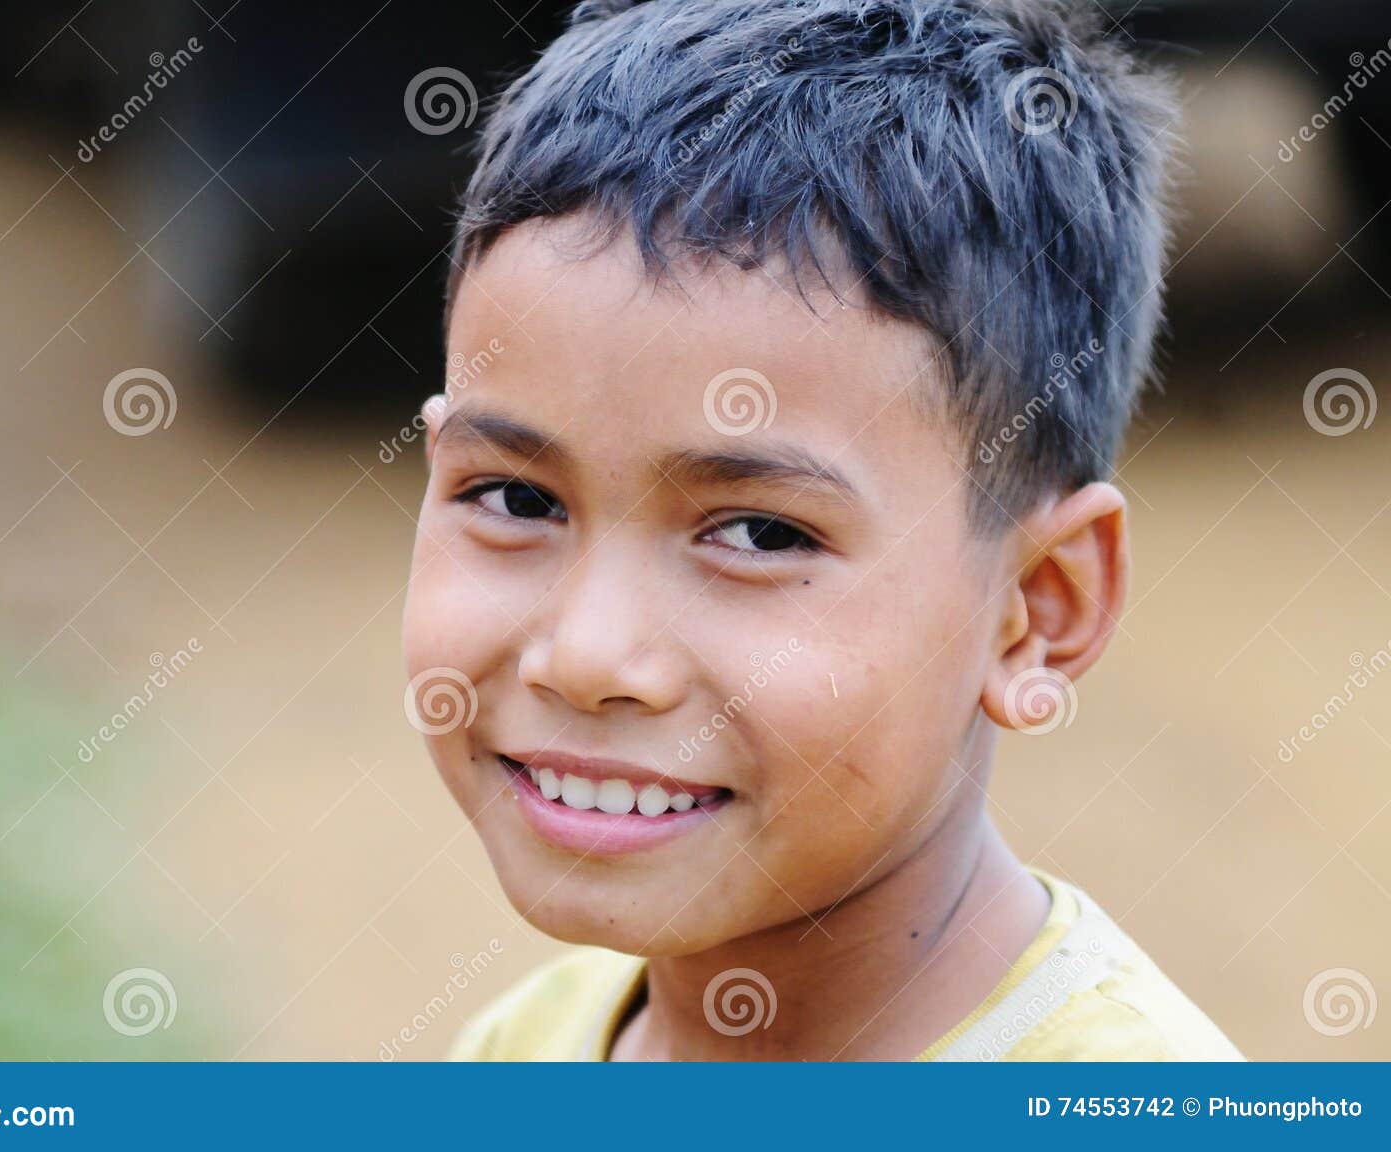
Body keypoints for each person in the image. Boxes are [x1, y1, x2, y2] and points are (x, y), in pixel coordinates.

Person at [401, 0, 1242, 1060]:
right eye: (516, 500)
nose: (585, 656)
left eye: (756, 533)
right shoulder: (523, 1047)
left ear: (1036, 608)